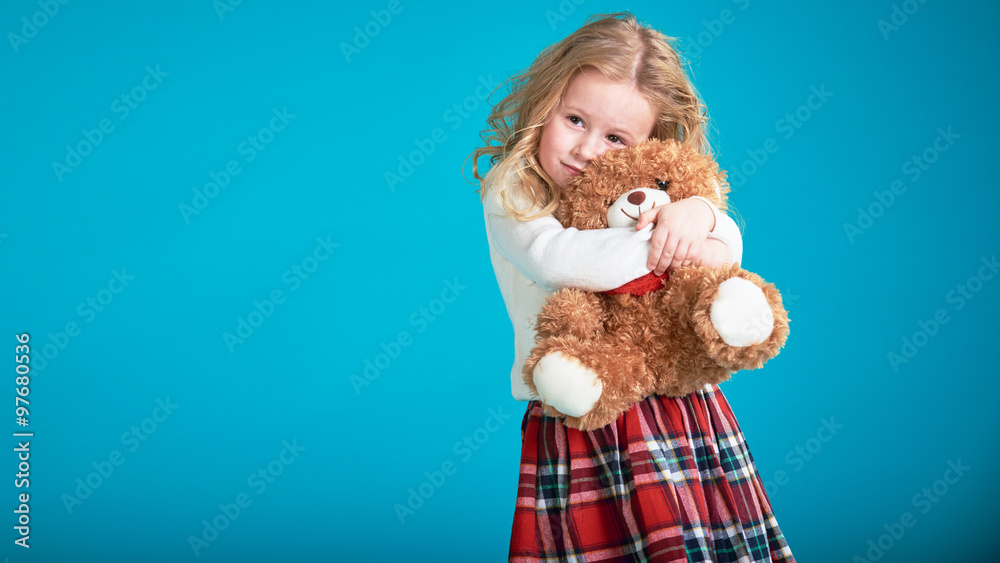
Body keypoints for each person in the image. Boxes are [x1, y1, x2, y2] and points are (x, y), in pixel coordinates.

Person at [470, 12, 796, 563]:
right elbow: (557, 261)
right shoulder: (514, 188)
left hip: (681, 405)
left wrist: (701, 213)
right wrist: (671, 238)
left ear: (650, 146)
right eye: (575, 119)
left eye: (616, 138)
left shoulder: (655, 194)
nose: (587, 149)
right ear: (546, 104)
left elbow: (726, 251)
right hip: (581, 410)